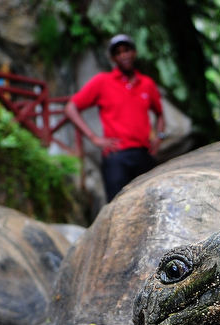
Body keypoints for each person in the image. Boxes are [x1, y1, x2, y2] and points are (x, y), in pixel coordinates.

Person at [64, 34, 167, 202]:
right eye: (118, 53)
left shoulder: (147, 84)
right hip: (116, 156)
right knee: (117, 205)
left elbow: (160, 113)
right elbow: (71, 108)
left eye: (126, 50)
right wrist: (94, 138)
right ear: (113, 58)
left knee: (150, 203)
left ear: (134, 52)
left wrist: (159, 136)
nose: (123, 55)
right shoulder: (102, 82)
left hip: (143, 153)